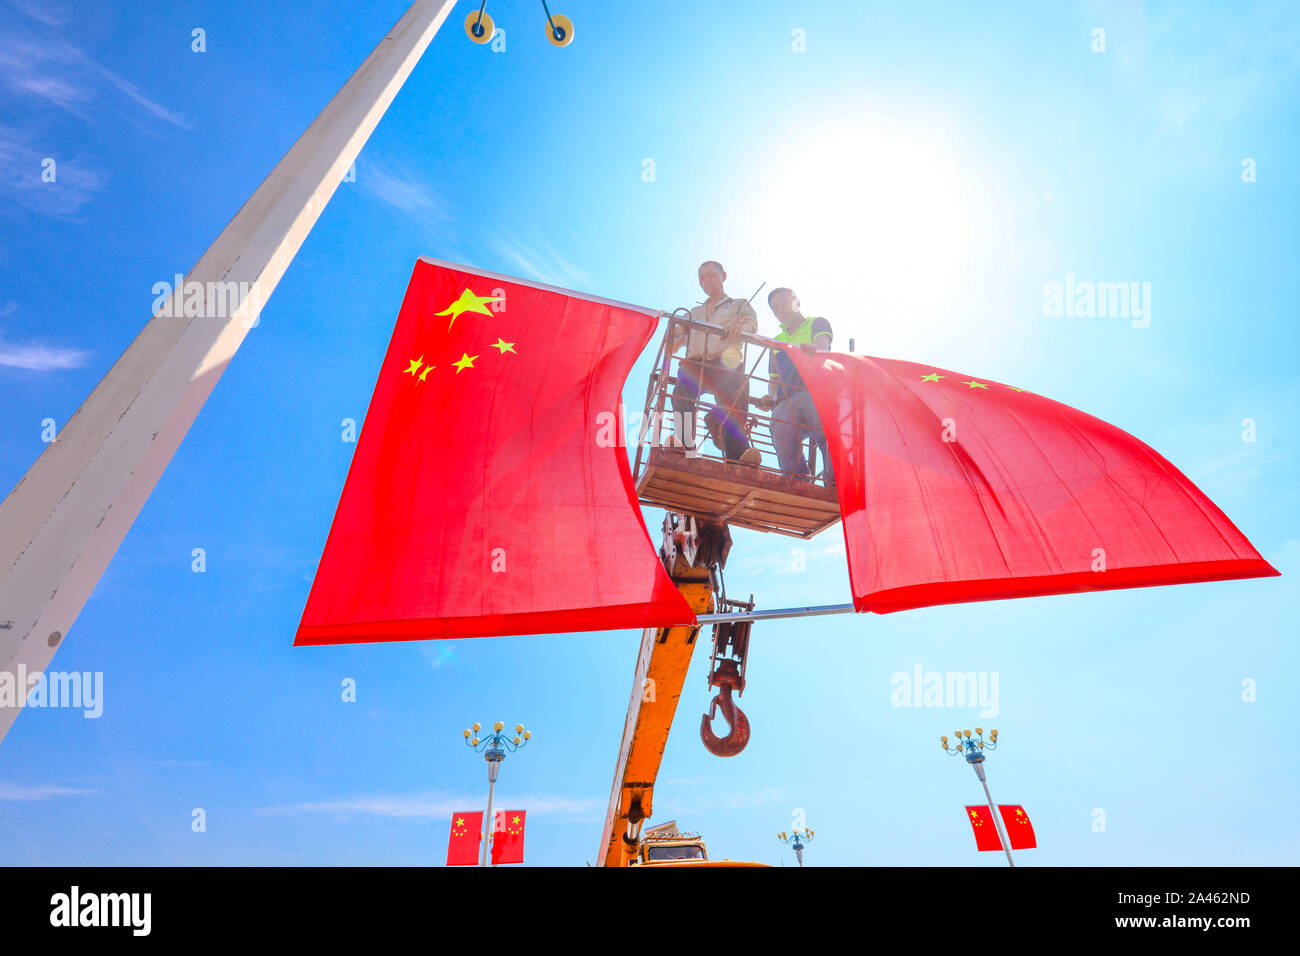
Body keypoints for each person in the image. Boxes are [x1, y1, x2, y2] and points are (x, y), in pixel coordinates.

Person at [669, 261, 762, 465]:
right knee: (682, 390)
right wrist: (673, 343)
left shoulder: (738, 304)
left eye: (711, 275)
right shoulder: (694, 312)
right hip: (697, 363)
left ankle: (738, 457)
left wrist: (742, 327)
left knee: (734, 402)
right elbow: (678, 334)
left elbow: (751, 323)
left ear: (724, 276)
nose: (706, 280)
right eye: (702, 277)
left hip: (726, 362)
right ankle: (683, 445)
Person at [756, 287, 834, 481]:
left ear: (796, 303)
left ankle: (834, 487)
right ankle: (799, 484)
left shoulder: (816, 323)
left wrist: (814, 350)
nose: (779, 310)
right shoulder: (777, 341)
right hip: (786, 401)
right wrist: (771, 397)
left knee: (828, 439)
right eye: (775, 308)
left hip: (815, 393)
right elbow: (774, 378)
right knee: (782, 435)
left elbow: (823, 347)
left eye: (783, 303)